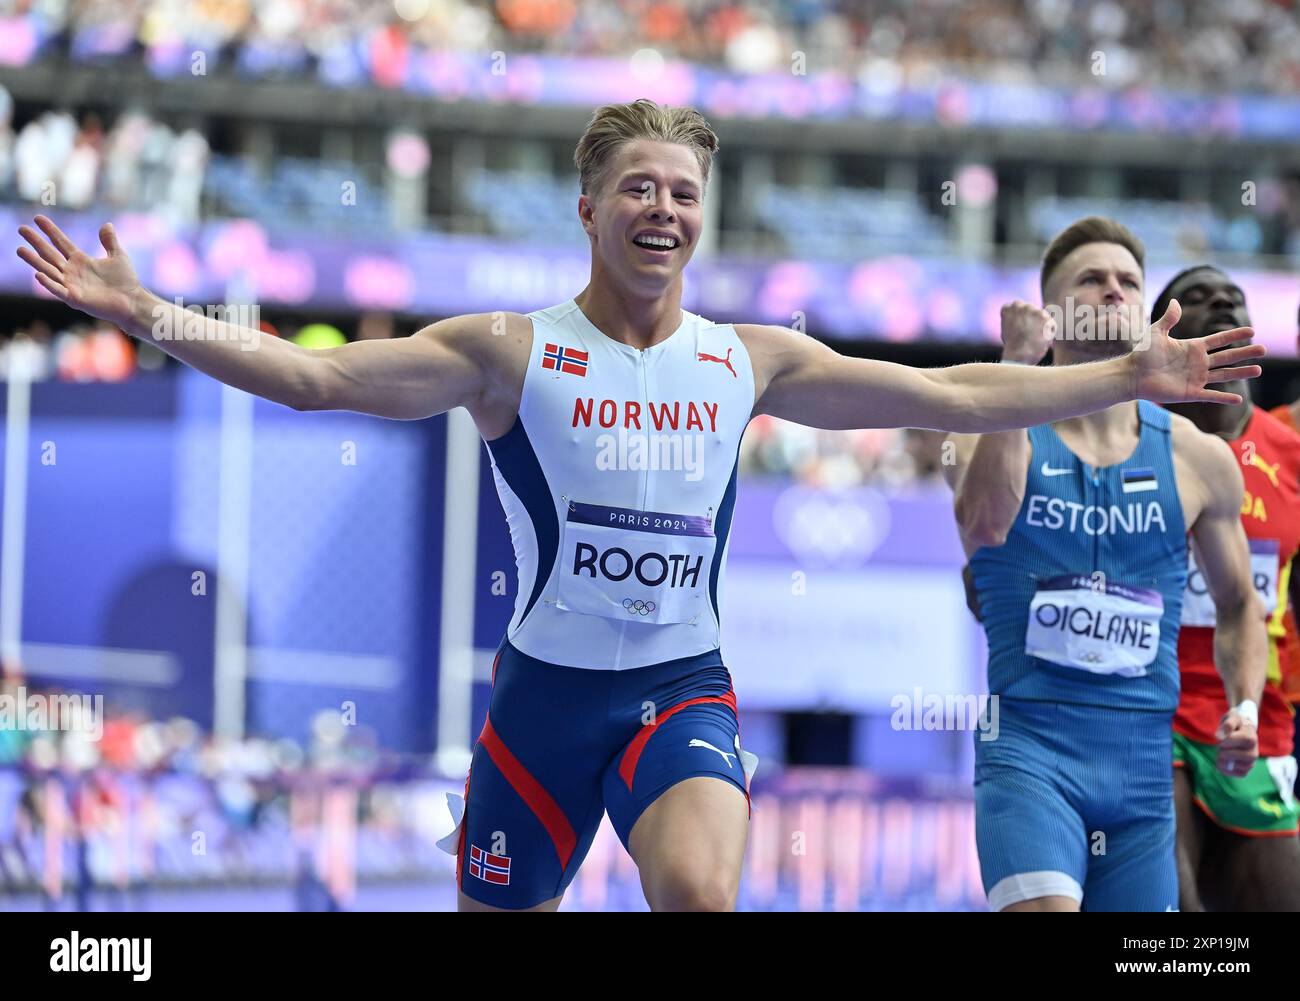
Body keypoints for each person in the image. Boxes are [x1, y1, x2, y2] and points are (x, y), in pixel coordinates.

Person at [16, 103, 1265, 912]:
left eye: (683, 191)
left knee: (701, 899)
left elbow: (946, 388)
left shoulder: (747, 359)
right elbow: (317, 379)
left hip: (682, 691)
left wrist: (1121, 371)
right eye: (639, 188)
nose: (665, 210)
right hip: (539, 709)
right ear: (588, 209)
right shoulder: (510, 350)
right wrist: (148, 313)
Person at [942, 217, 1266, 912]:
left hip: (1143, 776)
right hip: (1030, 753)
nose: (1114, 290)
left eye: (1129, 282)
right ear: (1051, 312)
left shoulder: (1196, 457)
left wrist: (1243, 705)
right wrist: (1014, 372)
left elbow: (1240, 603)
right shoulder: (984, 417)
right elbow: (983, 524)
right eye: (1092, 279)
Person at [1156, 265, 1300, 910]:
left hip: (1256, 718)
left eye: (1232, 298)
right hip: (1148, 711)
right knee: (1173, 915)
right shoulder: (1126, 436)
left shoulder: (1291, 452)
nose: (1218, 303)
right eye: (1196, 297)